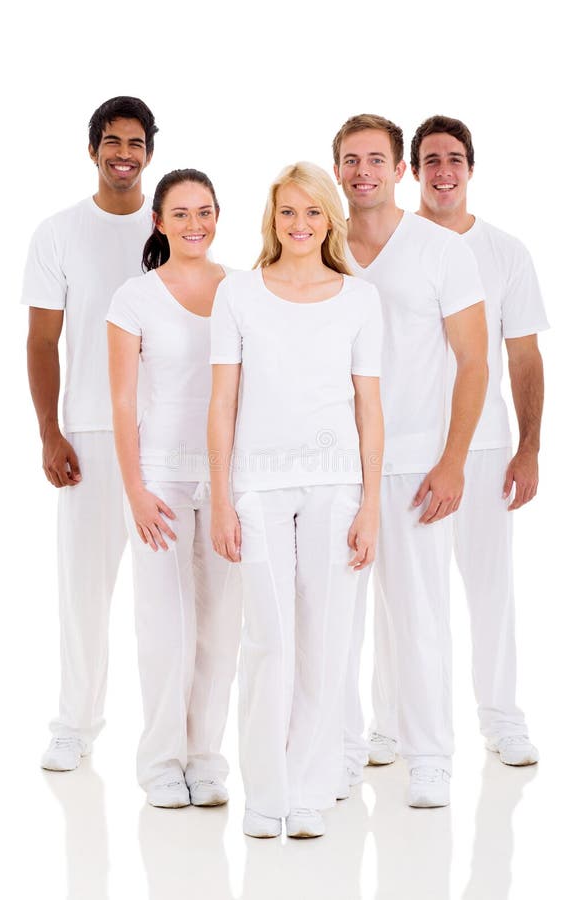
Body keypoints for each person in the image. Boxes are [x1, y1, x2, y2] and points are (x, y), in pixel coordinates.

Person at [208, 162, 384, 838]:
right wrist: (224, 499)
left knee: (325, 637)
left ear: (330, 221)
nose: (300, 225)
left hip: (336, 484)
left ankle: (308, 790)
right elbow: (223, 403)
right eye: (288, 212)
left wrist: (369, 505)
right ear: (272, 220)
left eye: (313, 213)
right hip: (257, 483)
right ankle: (266, 792)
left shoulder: (358, 298)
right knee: (269, 638)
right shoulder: (239, 294)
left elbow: (370, 407)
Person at [333, 114, 488, 807]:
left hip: (416, 463)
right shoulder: (318, 241)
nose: (362, 170)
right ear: (335, 167)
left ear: (399, 170)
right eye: (349, 159)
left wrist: (453, 460)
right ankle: (338, 752)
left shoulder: (440, 251)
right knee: (333, 616)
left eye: (375, 159)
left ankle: (431, 757)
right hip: (335, 463)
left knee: (419, 615)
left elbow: (475, 360)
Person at [23, 96, 157, 771]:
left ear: (150, 152)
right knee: (84, 588)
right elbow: (43, 340)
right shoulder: (59, 233)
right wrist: (51, 432)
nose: (123, 154)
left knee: (170, 593)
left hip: (164, 439)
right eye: (112, 141)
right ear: (92, 149)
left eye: (134, 142)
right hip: (91, 437)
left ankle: (174, 741)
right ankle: (75, 725)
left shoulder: (172, 225)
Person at [409, 114, 548, 765]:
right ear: (413, 169)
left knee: (489, 588)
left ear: (470, 169)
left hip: (487, 449)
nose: (443, 172)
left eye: (454, 160)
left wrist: (529, 447)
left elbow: (523, 356)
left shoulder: (504, 252)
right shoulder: (384, 246)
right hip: (406, 450)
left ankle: (501, 717)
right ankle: (392, 724)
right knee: (406, 594)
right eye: (431, 160)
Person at [106, 169, 241, 808]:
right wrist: (133, 488)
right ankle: (161, 761)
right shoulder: (134, 298)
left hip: (227, 479)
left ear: (218, 217)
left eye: (205, 211)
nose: (195, 224)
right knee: (165, 623)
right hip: (158, 476)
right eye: (181, 213)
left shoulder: (243, 290)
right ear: (159, 221)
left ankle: (207, 759)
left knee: (220, 621)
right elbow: (123, 401)